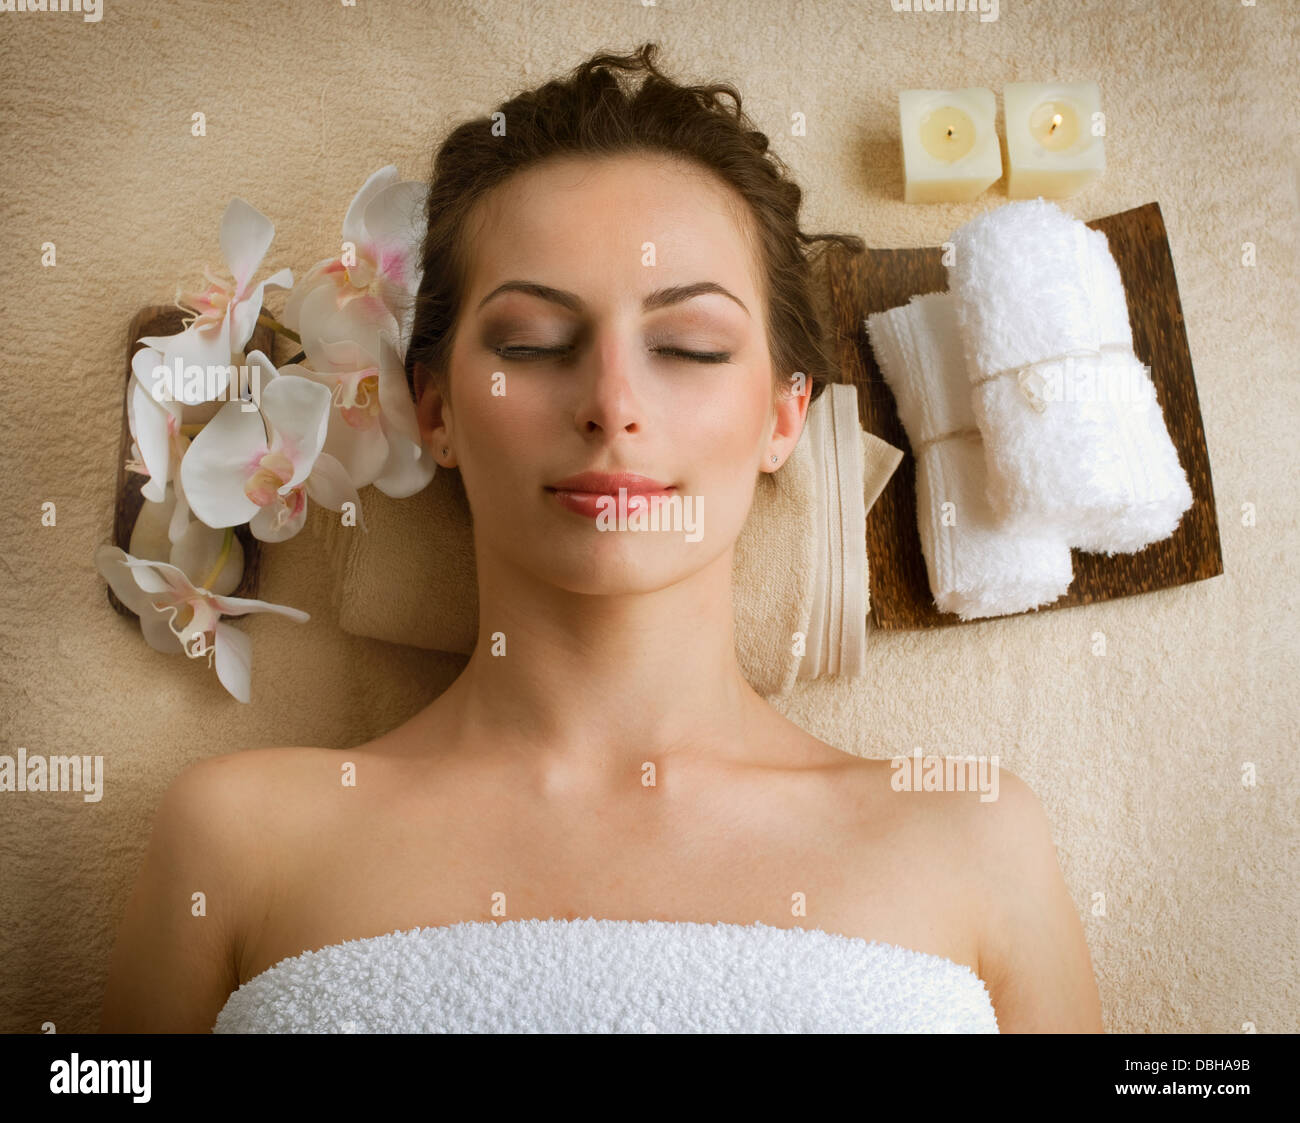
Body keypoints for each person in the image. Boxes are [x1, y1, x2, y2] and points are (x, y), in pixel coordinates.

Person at [100, 42, 1103, 1033]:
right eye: (532, 343)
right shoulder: (238, 844)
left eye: (688, 347)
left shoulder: (973, 839)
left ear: (782, 418)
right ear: (434, 408)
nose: (612, 404)